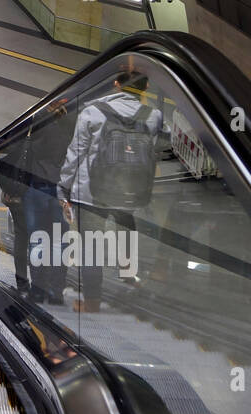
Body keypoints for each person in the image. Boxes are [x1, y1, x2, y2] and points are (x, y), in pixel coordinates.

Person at [58, 65, 162, 313]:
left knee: (92, 246)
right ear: (145, 88)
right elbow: (150, 151)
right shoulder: (154, 115)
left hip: (92, 193)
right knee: (126, 228)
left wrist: (63, 187)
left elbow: (76, 153)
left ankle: (92, 301)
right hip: (131, 191)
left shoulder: (93, 111)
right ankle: (129, 275)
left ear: (116, 85)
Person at [11, 97, 77, 305]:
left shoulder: (40, 120)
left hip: (37, 186)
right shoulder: (71, 121)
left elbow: (20, 137)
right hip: (61, 188)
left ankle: (38, 290)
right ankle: (56, 292)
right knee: (59, 240)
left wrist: (42, 110)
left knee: (38, 239)